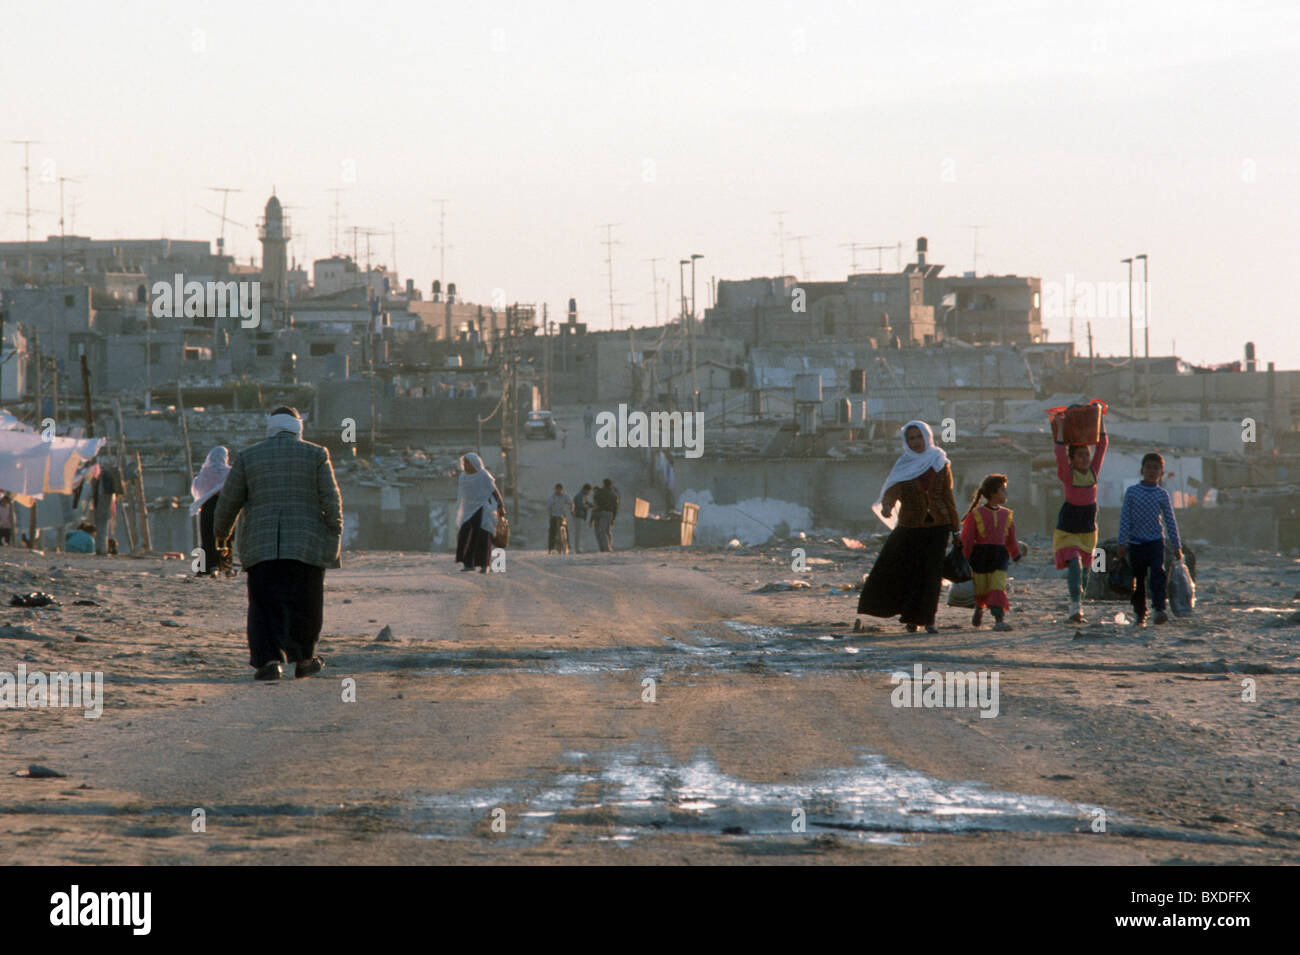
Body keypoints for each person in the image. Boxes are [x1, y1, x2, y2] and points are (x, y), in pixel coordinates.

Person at [214, 407, 342, 681]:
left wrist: (221, 533)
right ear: (298, 427)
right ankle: (305, 659)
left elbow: (228, 502)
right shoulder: (317, 454)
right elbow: (331, 501)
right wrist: (334, 533)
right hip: (306, 545)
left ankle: (268, 662)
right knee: (305, 603)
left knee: (263, 604)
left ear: (270, 427)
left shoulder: (248, 457)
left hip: (261, 545)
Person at [857, 420, 960, 634]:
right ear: (906, 441)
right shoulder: (903, 464)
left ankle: (928, 620)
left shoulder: (940, 460)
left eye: (919, 437)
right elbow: (892, 490)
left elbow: (948, 497)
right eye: (911, 438)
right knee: (909, 572)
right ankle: (911, 619)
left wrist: (956, 528)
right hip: (910, 525)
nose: (916, 442)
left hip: (939, 527)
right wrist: (887, 506)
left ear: (927, 436)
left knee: (931, 575)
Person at [1051, 412, 1108, 623]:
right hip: (1068, 528)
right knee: (1074, 564)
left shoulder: (1093, 471)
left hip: (1088, 529)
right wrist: (1060, 426)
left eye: (1087, 454)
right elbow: (1059, 452)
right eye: (1081, 455)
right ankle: (1075, 607)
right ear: (1072, 460)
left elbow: (1102, 445)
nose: (1085, 458)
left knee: (1085, 574)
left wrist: (1100, 416)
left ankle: (1076, 608)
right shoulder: (1068, 474)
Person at [1117, 452, 1182, 626]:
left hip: (1155, 542)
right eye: (1148, 468)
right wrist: (1121, 542)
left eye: (1156, 468)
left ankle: (1159, 609)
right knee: (1138, 579)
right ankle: (1140, 612)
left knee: (1158, 574)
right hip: (1136, 543)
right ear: (1142, 470)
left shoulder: (1162, 494)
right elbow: (1125, 518)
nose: (1151, 471)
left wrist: (1177, 545)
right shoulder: (1132, 492)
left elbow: (1170, 520)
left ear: (1161, 472)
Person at [961, 474, 1022, 631]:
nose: (1005, 494)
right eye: (1003, 490)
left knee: (997, 586)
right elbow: (967, 539)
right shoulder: (975, 515)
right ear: (993, 493)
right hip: (980, 555)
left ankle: (998, 619)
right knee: (981, 588)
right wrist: (964, 557)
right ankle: (979, 608)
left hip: (999, 555)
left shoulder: (1007, 514)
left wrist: (1015, 554)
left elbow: (1010, 538)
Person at [456, 452, 504, 573]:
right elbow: (462, 495)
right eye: (464, 463)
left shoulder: (483, 475)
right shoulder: (463, 477)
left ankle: (484, 565)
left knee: (483, 536)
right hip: (468, 509)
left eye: (468, 462)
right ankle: (468, 563)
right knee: (465, 535)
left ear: (474, 463)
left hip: (483, 509)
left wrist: (500, 506)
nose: (465, 465)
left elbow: (494, 490)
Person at [190, 446, 233, 576]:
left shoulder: (203, 474)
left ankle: (206, 568)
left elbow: (197, 491)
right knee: (225, 537)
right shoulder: (230, 472)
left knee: (207, 538)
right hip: (225, 507)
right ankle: (225, 566)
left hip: (207, 507)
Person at [591, 477, 619, 552]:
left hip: (601, 513)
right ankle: (609, 546)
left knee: (602, 531)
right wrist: (614, 518)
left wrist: (592, 518)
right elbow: (616, 507)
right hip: (610, 514)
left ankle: (606, 548)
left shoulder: (600, 492)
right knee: (608, 531)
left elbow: (595, 502)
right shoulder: (613, 494)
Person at [547, 483, 572, 554]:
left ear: (562, 490)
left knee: (566, 530)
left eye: (560, 489)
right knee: (552, 531)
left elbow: (570, 502)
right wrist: (550, 515)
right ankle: (551, 547)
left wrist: (571, 509)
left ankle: (567, 544)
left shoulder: (565, 496)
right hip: (554, 515)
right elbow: (549, 507)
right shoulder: (551, 497)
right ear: (555, 489)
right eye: (557, 489)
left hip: (562, 516)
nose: (559, 491)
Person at [572, 483, 592, 554]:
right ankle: (577, 549)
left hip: (580, 516)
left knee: (579, 533)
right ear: (586, 490)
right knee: (577, 533)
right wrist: (588, 506)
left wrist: (591, 505)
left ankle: (578, 548)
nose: (589, 493)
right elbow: (580, 505)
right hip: (577, 516)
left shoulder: (583, 495)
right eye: (589, 491)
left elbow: (586, 502)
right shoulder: (579, 496)